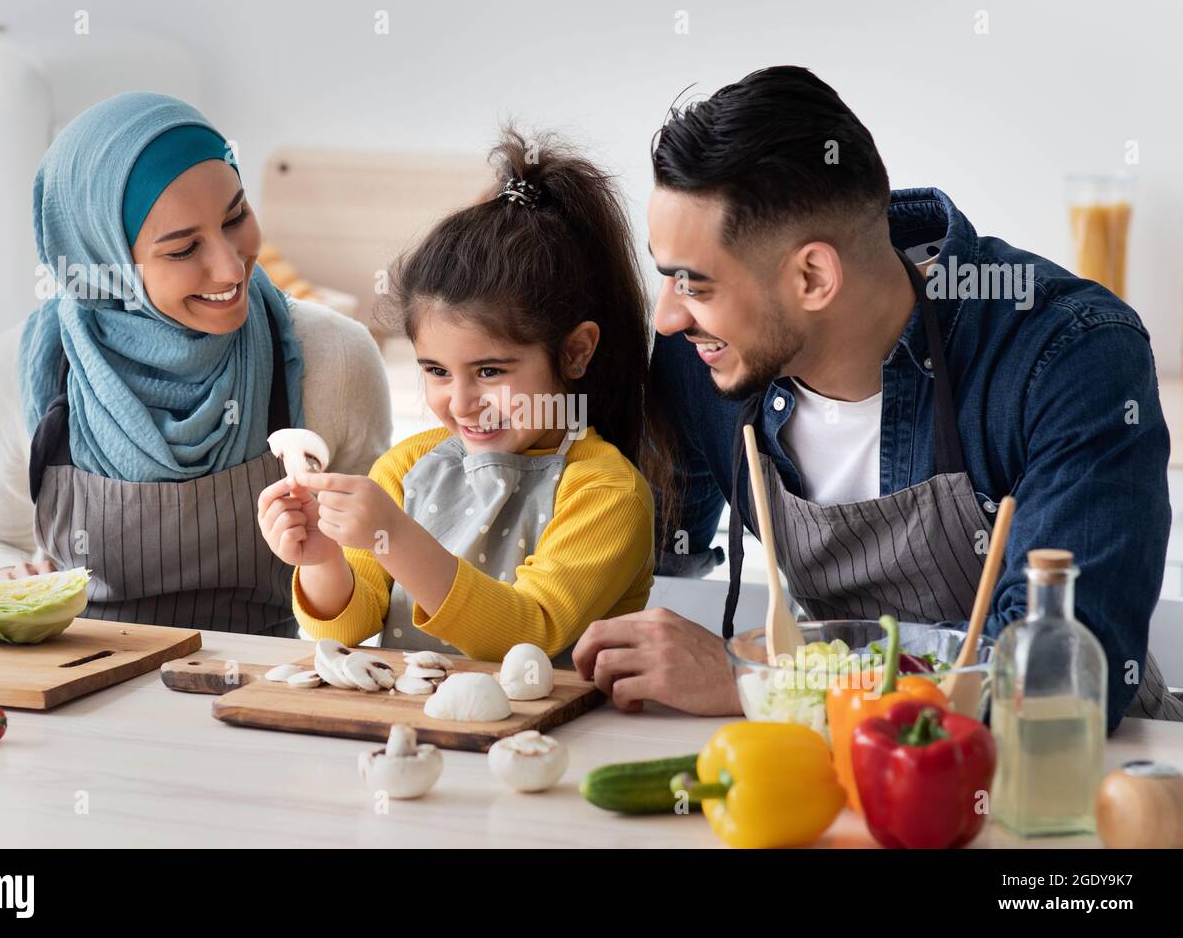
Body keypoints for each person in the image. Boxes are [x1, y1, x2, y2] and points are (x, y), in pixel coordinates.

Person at [573, 66, 1180, 728]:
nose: (667, 318)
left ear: (813, 276)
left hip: (1063, 781)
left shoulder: (1068, 355)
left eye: (693, 282)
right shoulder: (707, 357)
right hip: (838, 774)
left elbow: (1057, 685)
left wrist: (767, 684)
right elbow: (640, 551)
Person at [0, 92, 391, 635]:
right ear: (103, 258)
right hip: (78, 691)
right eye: (183, 250)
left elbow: (376, 575)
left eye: (237, 217)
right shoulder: (26, 368)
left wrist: (328, 559)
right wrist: (4, 579)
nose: (231, 268)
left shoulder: (332, 357)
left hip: (260, 694)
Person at [258, 130, 654, 664]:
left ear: (576, 351)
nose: (462, 402)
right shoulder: (405, 469)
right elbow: (349, 628)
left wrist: (394, 536)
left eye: (489, 370)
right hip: (426, 738)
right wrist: (323, 560)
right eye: (437, 371)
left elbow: (532, 634)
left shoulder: (606, 492)